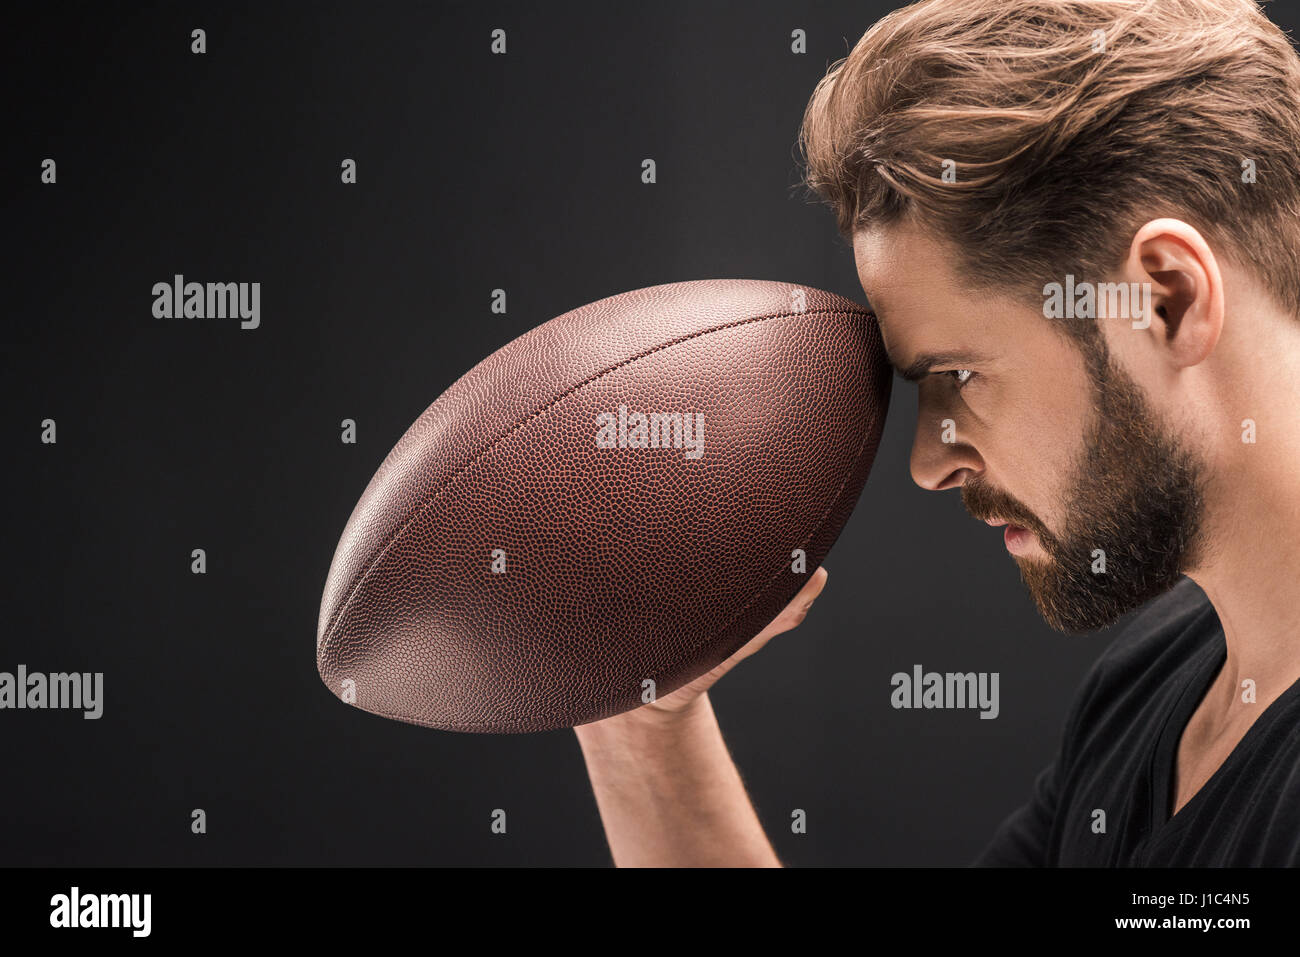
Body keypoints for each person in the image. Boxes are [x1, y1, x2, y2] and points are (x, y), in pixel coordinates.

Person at [574, 0, 1300, 866]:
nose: (926, 465)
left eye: (956, 373)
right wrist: (640, 727)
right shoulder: (1153, 679)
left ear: (1165, 299)